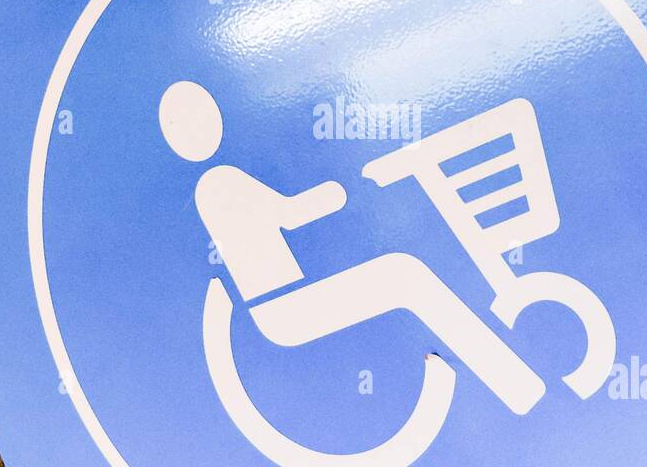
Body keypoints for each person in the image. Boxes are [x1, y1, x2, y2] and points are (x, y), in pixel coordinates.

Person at [158, 80, 544, 413]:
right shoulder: (223, 182)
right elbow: (290, 215)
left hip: (284, 302)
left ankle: (516, 382)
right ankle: (517, 384)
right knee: (406, 276)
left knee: (403, 275)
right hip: (285, 308)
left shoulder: (211, 186)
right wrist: (334, 192)